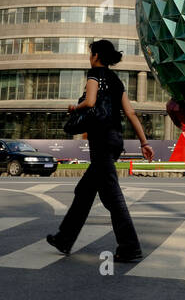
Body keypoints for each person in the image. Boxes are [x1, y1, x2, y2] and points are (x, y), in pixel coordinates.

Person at [47, 40, 154, 262]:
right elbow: (131, 113)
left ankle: (130, 247)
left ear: (96, 56)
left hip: (102, 142)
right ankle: (64, 238)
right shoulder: (116, 81)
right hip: (115, 141)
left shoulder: (94, 74)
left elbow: (91, 101)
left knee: (114, 197)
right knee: (85, 191)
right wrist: (144, 142)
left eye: (90, 53)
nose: (90, 57)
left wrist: (74, 108)